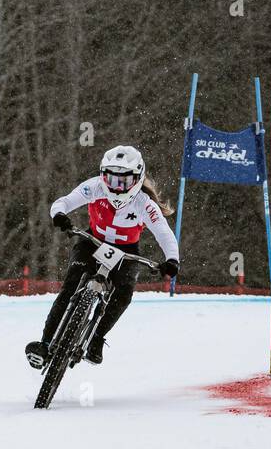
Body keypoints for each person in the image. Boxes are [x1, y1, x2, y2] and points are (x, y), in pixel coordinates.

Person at [26, 145, 179, 367]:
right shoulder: (94, 187)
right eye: (111, 180)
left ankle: (96, 338)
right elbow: (65, 201)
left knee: (123, 295)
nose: (116, 188)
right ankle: (45, 344)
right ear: (102, 176)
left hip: (126, 253)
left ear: (137, 179)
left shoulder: (145, 203)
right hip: (92, 242)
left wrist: (172, 259)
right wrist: (59, 215)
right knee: (69, 287)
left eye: (123, 182)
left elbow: (164, 233)